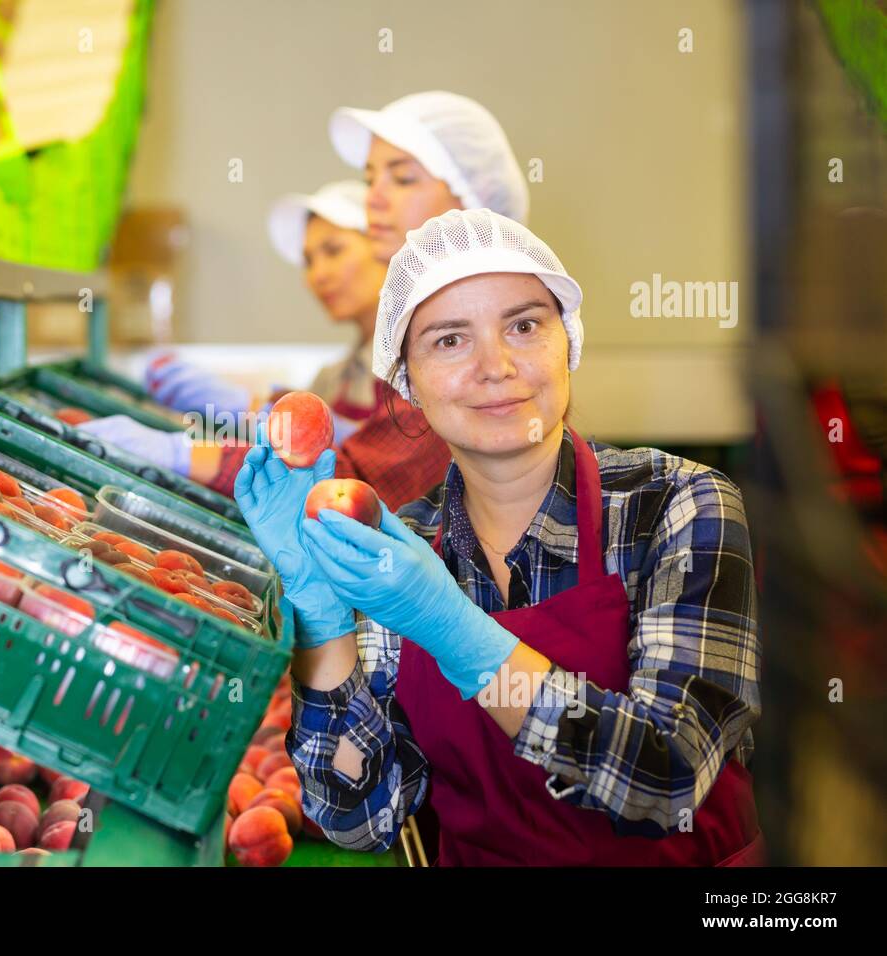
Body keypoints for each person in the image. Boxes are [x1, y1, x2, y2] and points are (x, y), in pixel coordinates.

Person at [235, 207, 764, 866]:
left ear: (566, 342)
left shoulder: (678, 508)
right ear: (407, 383)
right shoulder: (400, 550)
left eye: (523, 325)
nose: (496, 365)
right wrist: (319, 615)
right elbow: (358, 810)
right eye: (450, 340)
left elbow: (667, 779)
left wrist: (457, 632)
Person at [83, 91, 527, 507]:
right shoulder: (416, 343)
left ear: (474, 203)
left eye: (403, 177)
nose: (375, 199)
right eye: (370, 178)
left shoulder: (465, 349)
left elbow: (354, 478)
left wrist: (184, 451)